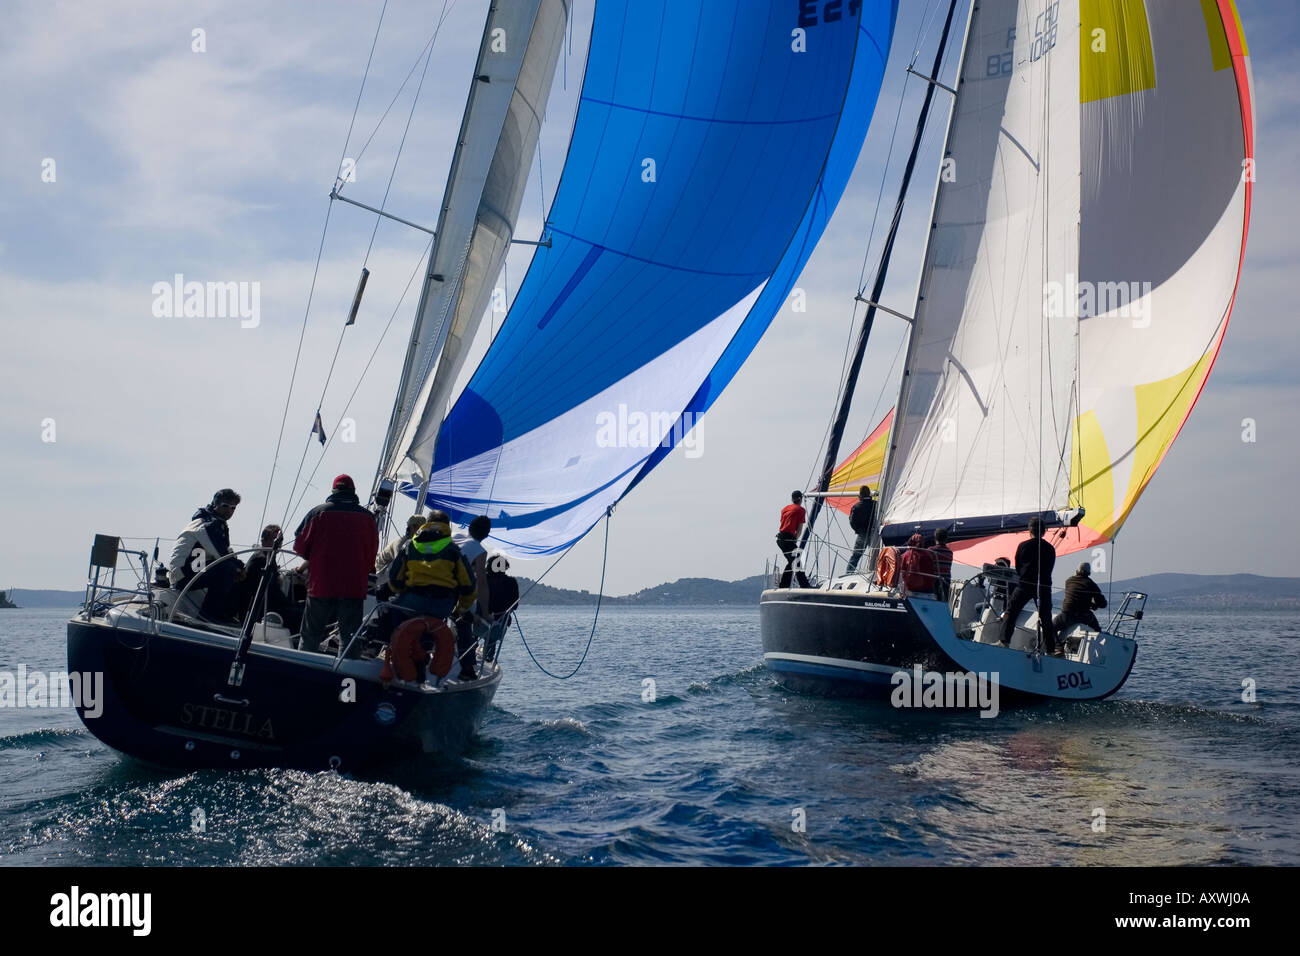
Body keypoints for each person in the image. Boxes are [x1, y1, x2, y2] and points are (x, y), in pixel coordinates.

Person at [293, 474, 379, 655]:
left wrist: (315, 558)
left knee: (311, 635)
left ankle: (304, 669)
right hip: (353, 586)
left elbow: (299, 546)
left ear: (333, 491)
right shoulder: (368, 518)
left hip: (321, 583)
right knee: (349, 638)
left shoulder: (318, 513)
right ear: (354, 492)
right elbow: (371, 555)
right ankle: (346, 674)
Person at [376, 511, 477, 654]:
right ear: (447, 526)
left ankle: (384, 646)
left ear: (427, 524)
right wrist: (460, 609)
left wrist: (398, 590)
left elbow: (395, 578)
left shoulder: (410, 546)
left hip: (413, 601)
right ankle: (427, 646)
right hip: (442, 605)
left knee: (388, 610)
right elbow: (469, 586)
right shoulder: (454, 551)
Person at [168, 488, 245, 623]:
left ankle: (225, 613)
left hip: (194, 568)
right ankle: (208, 616)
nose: (229, 511)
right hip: (183, 574)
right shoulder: (208, 524)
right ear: (215, 505)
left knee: (232, 570)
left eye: (233, 508)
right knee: (227, 569)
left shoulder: (217, 522)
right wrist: (239, 567)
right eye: (225, 506)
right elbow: (220, 552)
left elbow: (224, 553)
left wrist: (239, 568)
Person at [998, 517, 1058, 654]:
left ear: (1030, 530)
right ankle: (1051, 650)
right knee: (1046, 618)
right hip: (1044, 586)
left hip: (1025, 584)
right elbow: (1050, 568)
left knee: (1011, 612)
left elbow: (1018, 566)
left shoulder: (1023, 546)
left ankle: (1004, 641)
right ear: (1044, 532)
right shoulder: (1050, 549)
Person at [236, 524, 302, 633]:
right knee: (302, 615)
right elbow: (270, 593)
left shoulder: (269, 558)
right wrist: (291, 604)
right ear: (263, 541)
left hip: (267, 607)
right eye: (275, 540)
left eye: (280, 541)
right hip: (258, 613)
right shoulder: (261, 560)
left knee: (300, 608)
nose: (279, 545)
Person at [452, 516, 493, 680]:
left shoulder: (455, 537)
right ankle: (467, 670)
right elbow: (482, 582)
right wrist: (486, 613)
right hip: (455, 595)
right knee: (464, 624)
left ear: (469, 528)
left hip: (433, 586)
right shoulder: (480, 551)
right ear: (487, 534)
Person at [374, 514, 426, 601]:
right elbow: (400, 565)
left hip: (393, 579)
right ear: (413, 527)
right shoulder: (401, 543)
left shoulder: (416, 545)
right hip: (380, 577)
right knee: (399, 565)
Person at [483, 553, 520, 664]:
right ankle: (489, 656)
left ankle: (471, 650)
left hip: (480, 617)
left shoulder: (482, 580)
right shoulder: (511, 582)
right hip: (500, 619)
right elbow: (515, 606)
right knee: (493, 633)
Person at [1054, 562, 1108, 634]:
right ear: (1089, 573)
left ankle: (1055, 644)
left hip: (1066, 615)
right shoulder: (1091, 584)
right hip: (1083, 616)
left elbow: (1076, 598)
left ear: (1077, 571)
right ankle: (1098, 635)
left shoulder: (1068, 581)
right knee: (1097, 630)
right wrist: (1094, 605)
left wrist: (1090, 604)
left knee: (1051, 628)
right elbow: (1103, 604)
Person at [775, 491, 811, 588]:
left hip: (780, 538)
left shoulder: (785, 509)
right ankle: (805, 585)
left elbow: (783, 523)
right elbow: (799, 529)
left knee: (792, 561)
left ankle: (783, 585)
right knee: (797, 561)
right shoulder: (801, 510)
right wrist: (795, 539)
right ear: (800, 499)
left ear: (792, 499)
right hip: (788, 538)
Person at [844, 486, 876, 575]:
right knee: (876, 554)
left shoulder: (856, 507)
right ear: (869, 494)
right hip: (874, 533)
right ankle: (876, 572)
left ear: (860, 495)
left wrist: (858, 530)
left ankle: (848, 573)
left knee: (856, 555)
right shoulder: (876, 504)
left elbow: (852, 521)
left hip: (862, 534)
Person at [930, 528, 954, 602]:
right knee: (943, 602)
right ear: (946, 538)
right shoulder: (950, 552)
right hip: (946, 582)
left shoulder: (931, 550)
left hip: (934, 581)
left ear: (935, 537)